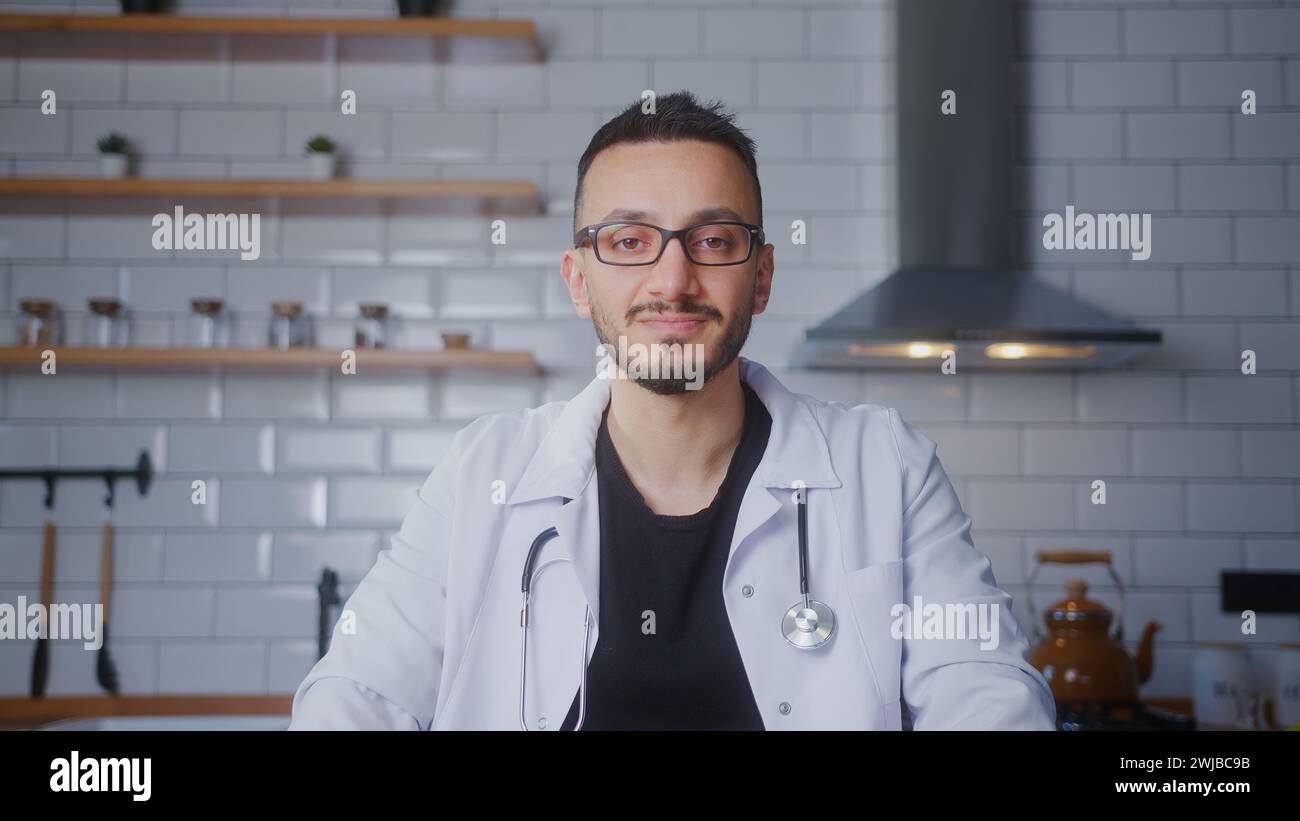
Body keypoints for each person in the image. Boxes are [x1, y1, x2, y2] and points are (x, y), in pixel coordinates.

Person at [289, 91, 1056, 731]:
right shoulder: (483, 472)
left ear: (761, 276)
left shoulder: (883, 464)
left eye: (713, 239)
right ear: (578, 278)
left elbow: (989, 697)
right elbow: (357, 696)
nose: (673, 278)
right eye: (630, 240)